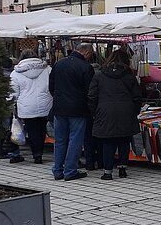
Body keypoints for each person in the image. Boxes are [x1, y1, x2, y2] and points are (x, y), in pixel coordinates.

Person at [88, 49, 143, 180]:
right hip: (126, 111)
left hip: (104, 111)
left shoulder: (99, 75)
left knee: (108, 142)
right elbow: (137, 97)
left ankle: (107, 172)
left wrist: (95, 112)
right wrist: (134, 111)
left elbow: (91, 96)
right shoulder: (130, 76)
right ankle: (123, 169)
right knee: (124, 140)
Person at [48, 42, 95, 181]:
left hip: (59, 108)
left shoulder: (59, 64)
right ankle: (70, 170)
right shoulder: (86, 67)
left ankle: (57, 170)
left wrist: (58, 98)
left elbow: (51, 86)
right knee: (75, 139)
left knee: (60, 140)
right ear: (86, 52)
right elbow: (90, 91)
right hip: (78, 109)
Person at [9, 49, 52, 164]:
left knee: (32, 130)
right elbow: (52, 86)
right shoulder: (47, 69)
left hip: (26, 107)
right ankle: (40, 151)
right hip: (46, 105)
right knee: (42, 129)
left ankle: (36, 154)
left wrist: (12, 104)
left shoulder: (16, 73)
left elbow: (13, 92)